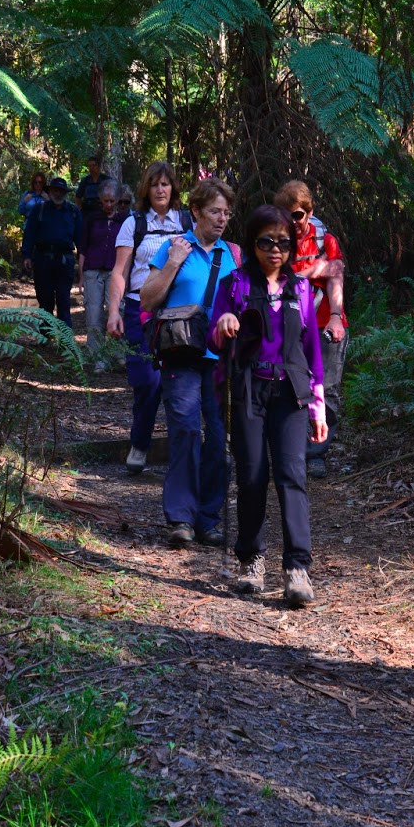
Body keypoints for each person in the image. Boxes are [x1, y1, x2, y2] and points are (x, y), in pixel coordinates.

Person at [210, 205, 327, 608]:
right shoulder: (235, 284)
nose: (275, 249)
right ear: (253, 243)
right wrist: (225, 321)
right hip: (248, 390)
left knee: (292, 475)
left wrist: (319, 407)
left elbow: (312, 351)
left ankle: (297, 568)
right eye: (266, 241)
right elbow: (213, 334)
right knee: (253, 475)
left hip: (291, 394)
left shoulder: (302, 289)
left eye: (283, 242)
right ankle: (251, 560)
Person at [141, 179, 237, 548]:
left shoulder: (232, 254)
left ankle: (208, 518)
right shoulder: (173, 247)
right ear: (195, 211)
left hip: (220, 359)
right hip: (181, 352)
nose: (222, 219)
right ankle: (180, 517)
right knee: (185, 429)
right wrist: (174, 264)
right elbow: (147, 301)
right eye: (215, 211)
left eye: (227, 213)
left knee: (218, 439)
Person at [106, 162, 190, 474]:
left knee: (179, 380)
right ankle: (139, 444)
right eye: (154, 184)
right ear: (146, 189)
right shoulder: (134, 223)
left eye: (165, 184)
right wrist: (113, 312)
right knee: (147, 380)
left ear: (173, 188)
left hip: (178, 312)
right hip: (139, 309)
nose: (160, 190)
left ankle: (181, 451)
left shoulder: (186, 221)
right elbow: (119, 271)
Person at [275, 181, 347, 478]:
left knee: (327, 389)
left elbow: (337, 277)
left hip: (324, 323)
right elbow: (276, 283)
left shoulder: (324, 240)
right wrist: (315, 271)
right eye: (287, 215)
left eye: (298, 215)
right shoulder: (277, 241)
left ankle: (316, 452)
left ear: (310, 212)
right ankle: (289, 451)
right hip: (289, 324)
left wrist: (335, 316)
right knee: (288, 387)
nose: (294, 222)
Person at [22, 175, 83, 326]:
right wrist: (27, 256)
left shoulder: (73, 212)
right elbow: (29, 233)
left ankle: (65, 341)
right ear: (50, 192)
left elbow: (81, 239)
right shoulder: (39, 210)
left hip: (64, 261)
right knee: (44, 299)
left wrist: (82, 264)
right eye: (55, 190)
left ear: (65, 193)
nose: (58, 194)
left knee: (63, 300)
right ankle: (45, 337)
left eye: (61, 191)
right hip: (43, 259)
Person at [79, 179, 122, 369]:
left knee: (117, 311)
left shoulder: (125, 221)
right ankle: (98, 359)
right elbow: (83, 249)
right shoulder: (91, 220)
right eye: (105, 201)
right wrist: (80, 277)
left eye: (112, 201)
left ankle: (117, 355)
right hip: (92, 272)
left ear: (117, 200)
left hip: (115, 273)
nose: (109, 204)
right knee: (94, 315)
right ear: (100, 201)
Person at [18, 171, 47, 279]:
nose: (38, 185)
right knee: (27, 249)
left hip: (43, 227)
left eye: (40, 182)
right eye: (36, 182)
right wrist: (25, 202)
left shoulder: (46, 196)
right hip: (29, 225)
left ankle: (40, 273)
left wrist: (47, 198)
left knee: (41, 250)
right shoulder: (28, 194)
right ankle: (26, 271)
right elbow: (20, 210)